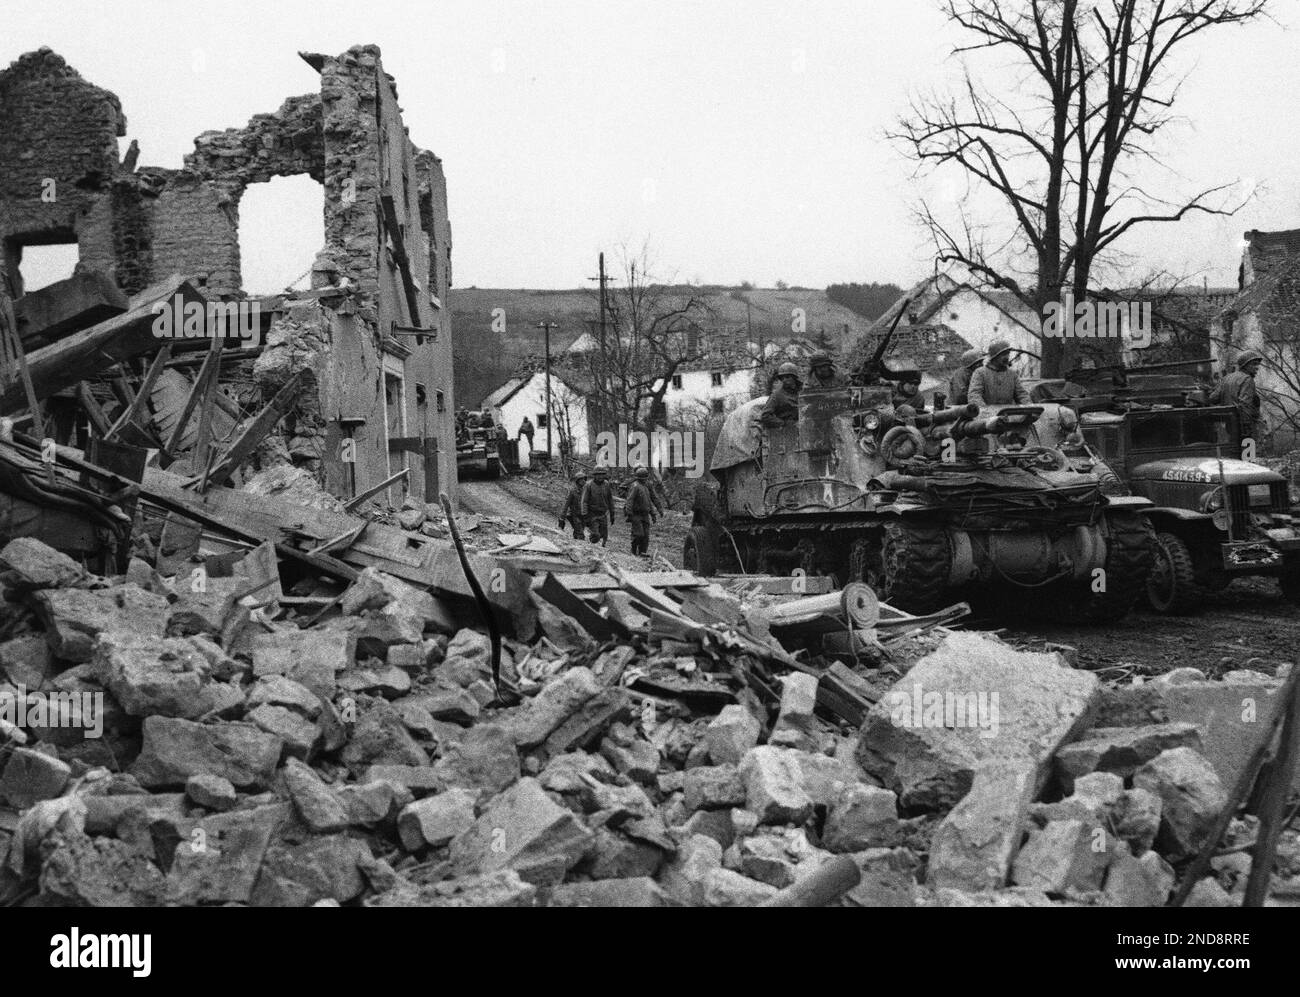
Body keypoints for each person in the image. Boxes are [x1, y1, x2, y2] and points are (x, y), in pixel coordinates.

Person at [1209, 349, 1264, 442]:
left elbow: (1213, 398)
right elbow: (1244, 404)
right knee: (1247, 454)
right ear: (1245, 365)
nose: (1257, 367)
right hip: (1243, 425)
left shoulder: (1227, 378)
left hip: (1229, 423)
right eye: (1254, 364)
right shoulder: (1247, 379)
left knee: (1233, 449)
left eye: (1257, 364)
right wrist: (1247, 428)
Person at [968, 340, 1029, 407]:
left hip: (1008, 413)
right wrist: (984, 411)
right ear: (995, 356)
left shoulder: (1012, 374)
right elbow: (974, 395)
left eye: (1008, 353)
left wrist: (1029, 407)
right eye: (1003, 354)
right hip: (987, 415)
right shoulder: (980, 373)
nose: (1007, 357)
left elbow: (1022, 394)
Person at [626, 465, 660, 556]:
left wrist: (653, 514)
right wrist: (629, 513)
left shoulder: (646, 487)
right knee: (638, 534)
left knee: (646, 536)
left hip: (645, 515)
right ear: (639, 478)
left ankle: (642, 552)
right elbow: (630, 500)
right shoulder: (635, 486)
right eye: (643, 478)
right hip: (636, 514)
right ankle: (633, 551)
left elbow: (649, 501)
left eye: (645, 478)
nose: (644, 479)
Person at [760, 362, 802, 428]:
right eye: (782, 378)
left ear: (794, 377)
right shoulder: (777, 395)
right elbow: (765, 415)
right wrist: (784, 424)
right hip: (788, 430)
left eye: (787, 377)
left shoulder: (804, 391)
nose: (784, 380)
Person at [581, 466, 614, 547]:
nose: (600, 477)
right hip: (592, 514)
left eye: (602, 474)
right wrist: (585, 515)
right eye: (598, 474)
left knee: (603, 535)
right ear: (594, 475)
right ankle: (591, 546)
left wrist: (612, 514)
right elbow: (584, 501)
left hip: (603, 514)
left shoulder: (606, 484)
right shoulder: (588, 485)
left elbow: (610, 500)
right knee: (596, 535)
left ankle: (602, 548)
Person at [559, 471, 588, 541]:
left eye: (584, 479)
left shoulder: (586, 491)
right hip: (574, 515)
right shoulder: (572, 491)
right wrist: (562, 517)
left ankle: (575, 542)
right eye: (581, 479)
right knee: (580, 534)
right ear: (577, 481)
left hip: (583, 515)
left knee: (578, 530)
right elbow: (566, 504)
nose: (583, 481)